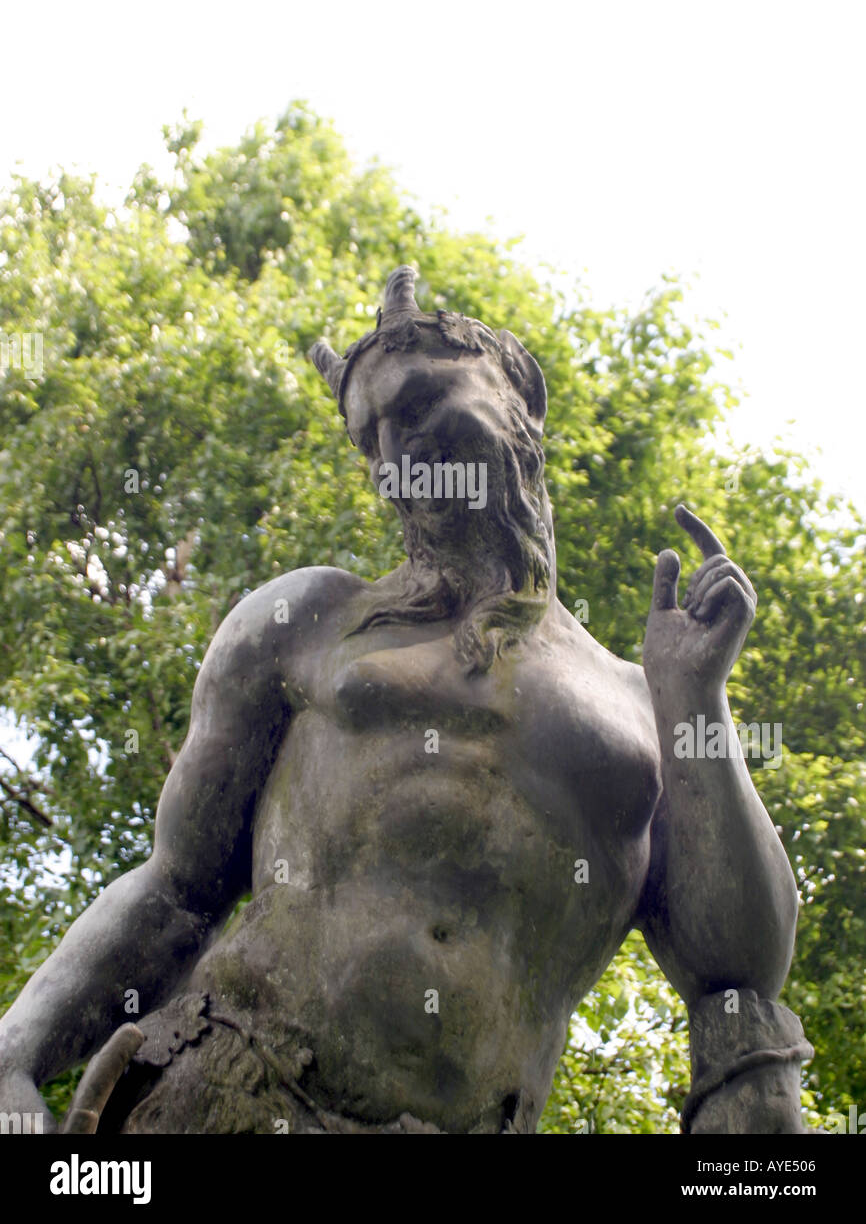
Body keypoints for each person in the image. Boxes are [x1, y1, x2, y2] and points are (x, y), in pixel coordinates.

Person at [0, 266, 811, 1134]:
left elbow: (741, 972)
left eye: (420, 407)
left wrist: (696, 699)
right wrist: (13, 1056)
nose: (394, 455)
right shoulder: (306, 620)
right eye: (369, 437)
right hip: (233, 1091)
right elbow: (176, 891)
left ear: (517, 406)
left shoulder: (639, 706)